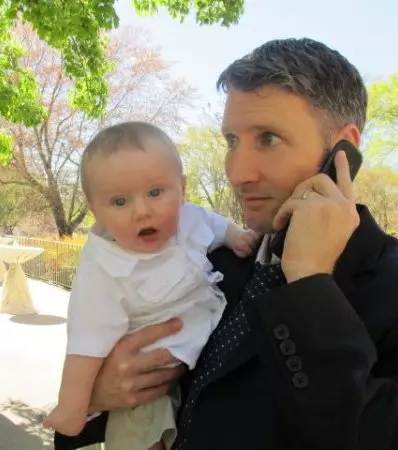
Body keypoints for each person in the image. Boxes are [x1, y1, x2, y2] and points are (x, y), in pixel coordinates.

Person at [55, 38, 398, 450]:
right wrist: (98, 398)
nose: (237, 172)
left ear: (342, 152)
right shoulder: (210, 261)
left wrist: (310, 289)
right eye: (231, 141)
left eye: (269, 139)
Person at [45, 121, 258, 450]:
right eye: (119, 202)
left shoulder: (190, 218)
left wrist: (236, 236)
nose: (142, 211)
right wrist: (75, 407)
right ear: (94, 211)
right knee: (141, 432)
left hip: (196, 359)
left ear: (182, 189)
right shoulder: (105, 268)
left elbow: (215, 224)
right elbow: (85, 344)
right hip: (145, 376)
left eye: (156, 192)